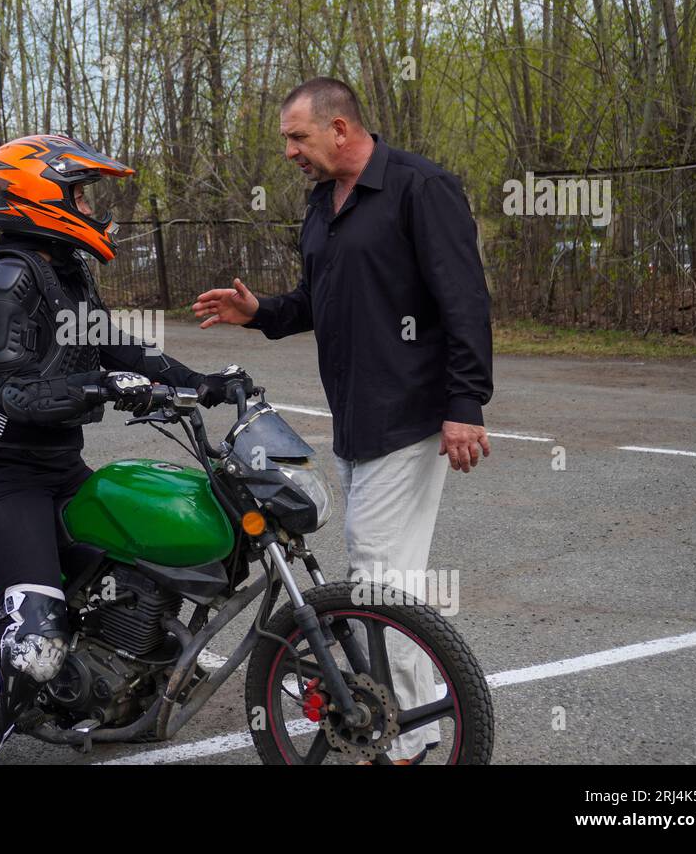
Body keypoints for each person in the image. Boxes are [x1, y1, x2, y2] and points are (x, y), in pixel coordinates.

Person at [192, 78, 493, 763]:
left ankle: (409, 742)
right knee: (389, 589)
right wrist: (262, 313)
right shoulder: (322, 205)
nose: (290, 152)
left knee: (377, 588)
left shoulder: (421, 188)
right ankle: (410, 729)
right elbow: (317, 300)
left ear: (340, 129)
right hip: (354, 422)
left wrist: (465, 405)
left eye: (298, 137)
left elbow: (465, 301)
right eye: (287, 141)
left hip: (409, 420)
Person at [0, 133, 241, 764]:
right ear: (39, 195)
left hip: (57, 468)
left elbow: (120, 346)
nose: (89, 207)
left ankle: (97, 691)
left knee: (125, 580)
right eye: (77, 193)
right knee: (36, 631)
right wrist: (102, 385)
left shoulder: (63, 269)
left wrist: (203, 384)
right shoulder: (7, 279)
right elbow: (20, 395)